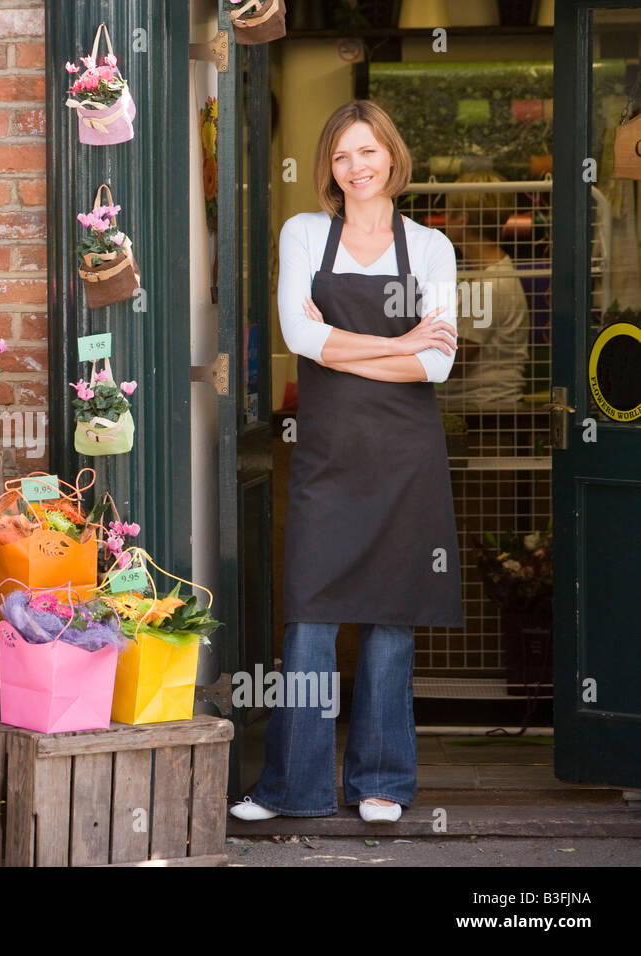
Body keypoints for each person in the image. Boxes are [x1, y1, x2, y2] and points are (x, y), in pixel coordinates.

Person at [231, 100, 465, 825]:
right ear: (329, 169)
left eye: (366, 152)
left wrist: (360, 346)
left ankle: (382, 783)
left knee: (391, 617)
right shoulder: (305, 233)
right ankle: (291, 787)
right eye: (340, 156)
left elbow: (438, 367)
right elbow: (300, 335)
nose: (355, 167)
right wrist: (398, 344)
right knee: (309, 616)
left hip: (404, 458)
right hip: (327, 458)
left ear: (391, 156)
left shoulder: (429, 247)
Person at [435, 171, 531, 411]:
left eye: (448, 212)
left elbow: (454, 360)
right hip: (476, 407)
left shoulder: (489, 285)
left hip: (483, 413)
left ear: (463, 219)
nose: (443, 219)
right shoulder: (486, 276)